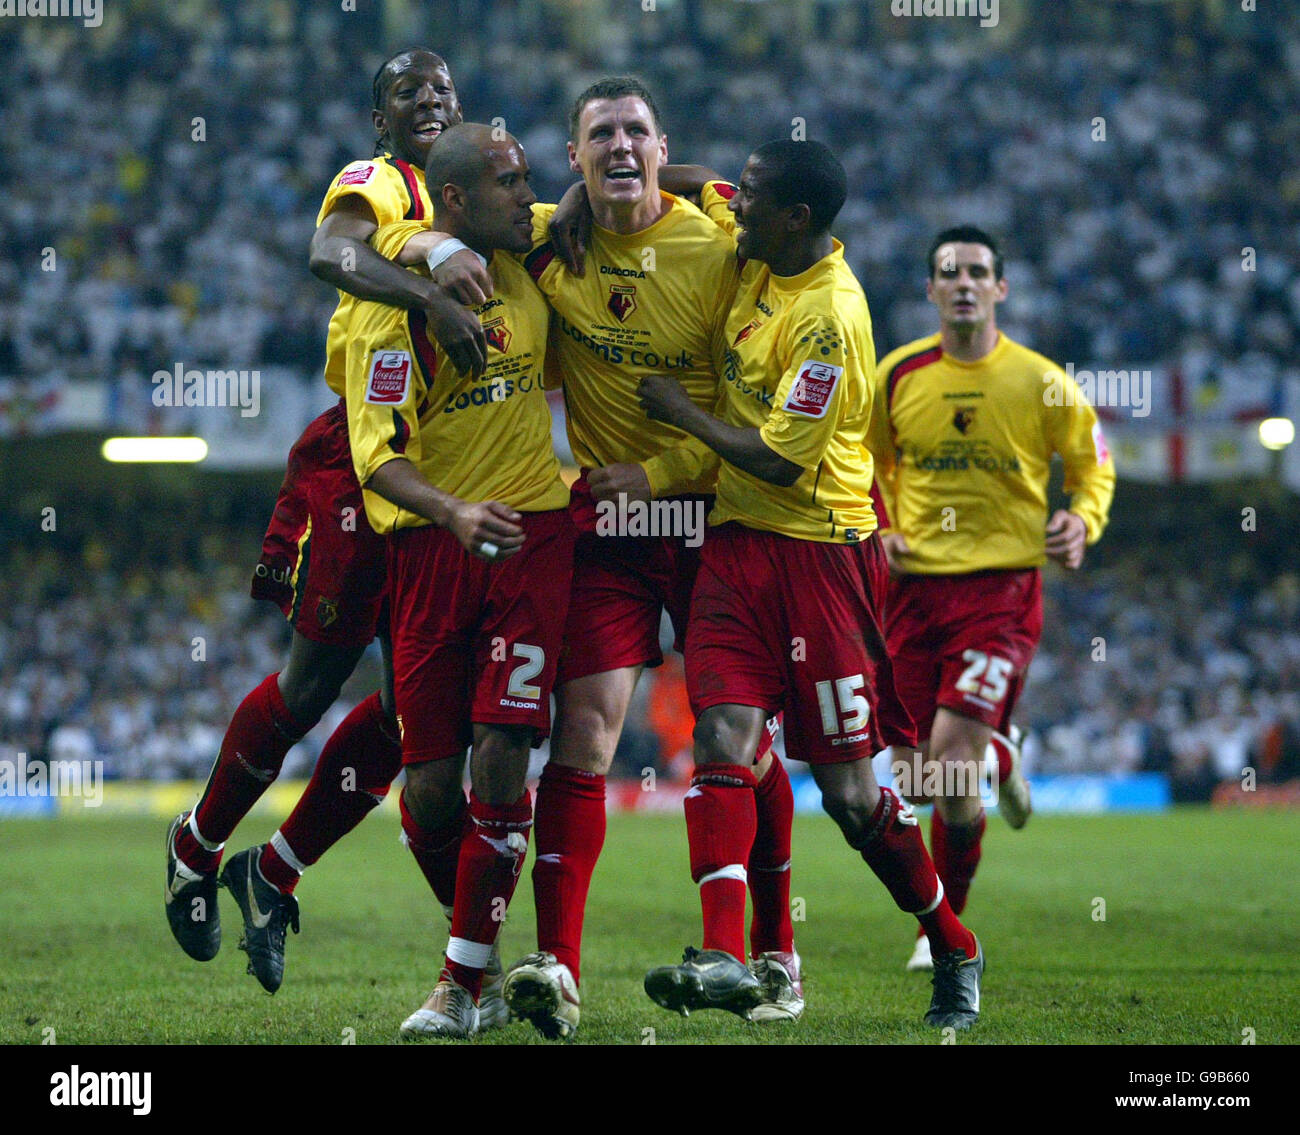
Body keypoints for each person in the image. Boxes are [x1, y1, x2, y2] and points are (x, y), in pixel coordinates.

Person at [404, 77, 802, 1037]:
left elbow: (761, 410)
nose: (619, 146)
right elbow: (406, 230)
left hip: (714, 516)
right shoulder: (543, 237)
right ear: (573, 159)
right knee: (580, 738)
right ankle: (558, 966)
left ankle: (771, 956)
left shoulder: (724, 242)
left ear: (663, 146)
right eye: (598, 136)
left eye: (635, 132)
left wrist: (662, 468)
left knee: (734, 740)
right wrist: (432, 241)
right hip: (611, 533)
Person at [163, 49, 500, 1008]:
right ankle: (196, 845)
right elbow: (328, 254)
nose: (431, 99)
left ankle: (274, 871)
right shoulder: (373, 185)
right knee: (313, 681)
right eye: (408, 92)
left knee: (409, 710)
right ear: (379, 121)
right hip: (360, 455)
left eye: (445, 88)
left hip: (445, 469)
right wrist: (430, 288)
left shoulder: (474, 195)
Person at [637, 140, 985, 1030]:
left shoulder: (830, 315)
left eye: (750, 199)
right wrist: (604, 185)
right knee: (722, 733)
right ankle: (726, 953)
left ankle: (951, 938)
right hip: (737, 549)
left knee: (850, 793)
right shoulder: (759, 235)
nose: (733, 207)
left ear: (796, 219)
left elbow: (783, 463)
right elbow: (692, 181)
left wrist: (676, 411)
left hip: (822, 557)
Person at [350, 123, 574, 1039]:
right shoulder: (392, 314)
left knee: (501, 753)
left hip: (530, 535)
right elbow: (377, 459)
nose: (531, 197)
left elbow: (613, 190)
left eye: (528, 180)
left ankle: (459, 985)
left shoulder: (532, 252)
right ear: (454, 203)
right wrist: (452, 512)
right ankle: (493, 945)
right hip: (433, 549)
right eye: (510, 184)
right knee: (430, 790)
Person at [871, 226, 1115, 971]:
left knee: (949, 763)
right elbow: (862, 458)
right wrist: (879, 525)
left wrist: (1082, 517)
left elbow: (1093, 461)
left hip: (1001, 591)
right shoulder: (898, 374)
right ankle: (1003, 755)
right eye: (950, 272)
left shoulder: (1042, 380)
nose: (965, 283)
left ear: (1001, 289)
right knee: (914, 774)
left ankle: (939, 931)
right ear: (932, 290)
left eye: (979, 271)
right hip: (910, 594)